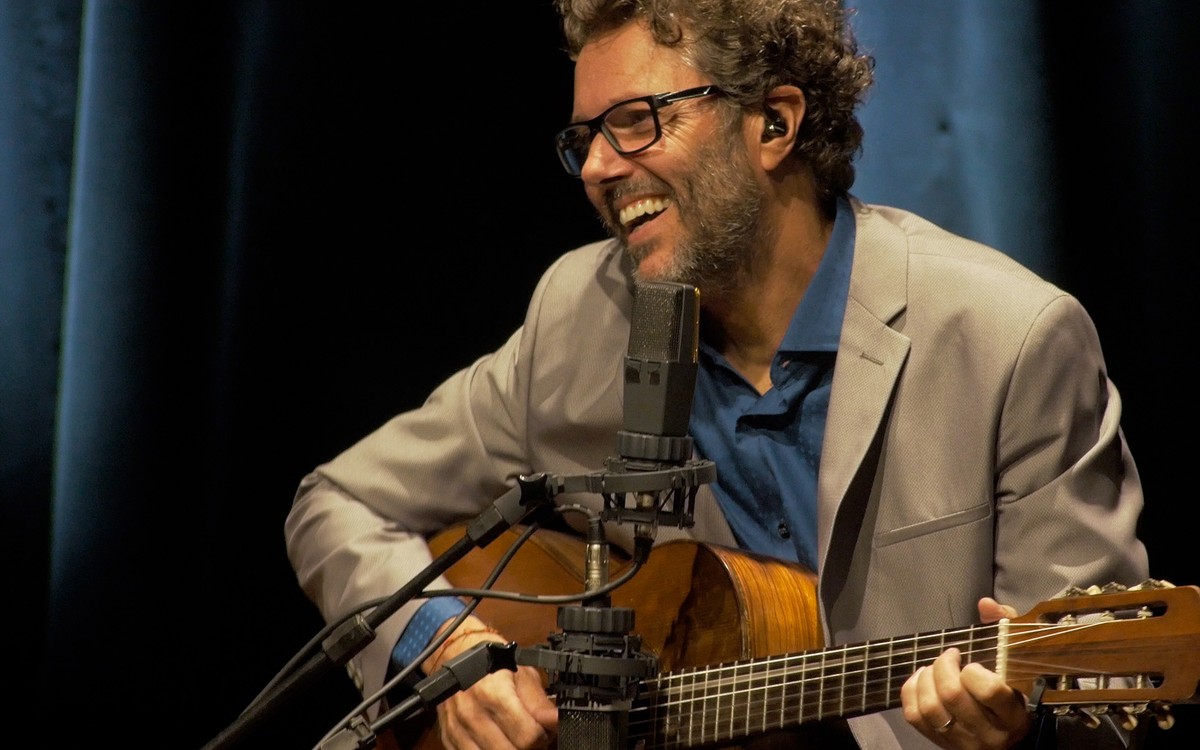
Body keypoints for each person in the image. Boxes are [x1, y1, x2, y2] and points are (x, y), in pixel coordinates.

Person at [285, 1, 1150, 748]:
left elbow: (1107, 697)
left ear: (773, 122)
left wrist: (1021, 733)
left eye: (636, 120)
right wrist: (448, 655)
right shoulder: (578, 321)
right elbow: (340, 504)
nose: (596, 167)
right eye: (584, 138)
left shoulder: (1010, 340)